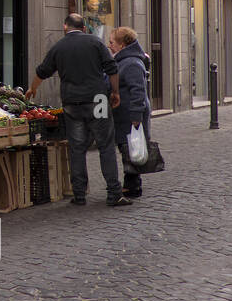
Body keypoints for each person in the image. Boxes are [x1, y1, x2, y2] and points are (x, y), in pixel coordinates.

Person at [28, 13, 131, 207]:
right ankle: (114, 194)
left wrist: (32, 88)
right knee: (105, 145)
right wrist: (115, 92)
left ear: (65, 27)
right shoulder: (95, 43)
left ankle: (79, 195)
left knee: (76, 148)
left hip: (71, 103)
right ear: (84, 28)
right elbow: (112, 69)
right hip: (98, 100)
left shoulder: (58, 47)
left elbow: (42, 71)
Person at [108, 26, 151, 198]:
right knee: (128, 147)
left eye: (112, 42)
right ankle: (131, 183)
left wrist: (136, 117)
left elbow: (138, 91)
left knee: (131, 148)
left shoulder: (131, 63)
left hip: (130, 114)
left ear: (122, 44)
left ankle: (133, 186)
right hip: (124, 114)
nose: (109, 45)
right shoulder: (123, 60)